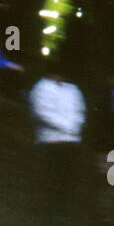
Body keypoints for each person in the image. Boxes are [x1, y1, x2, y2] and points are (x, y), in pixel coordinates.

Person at [29, 68, 86, 206]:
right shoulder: (42, 87)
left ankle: (61, 204)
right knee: (49, 174)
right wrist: (66, 126)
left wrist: (75, 127)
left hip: (70, 141)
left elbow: (79, 110)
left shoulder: (72, 89)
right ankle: (45, 204)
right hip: (50, 140)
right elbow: (43, 112)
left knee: (65, 176)